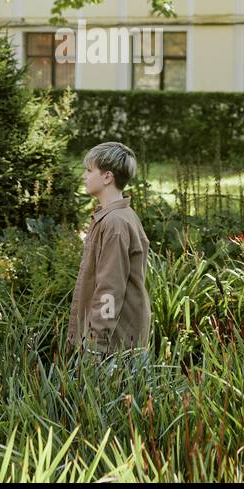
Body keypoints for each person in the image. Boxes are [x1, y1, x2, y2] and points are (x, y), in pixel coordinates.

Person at [67, 142, 151, 364]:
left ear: (107, 177)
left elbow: (110, 290)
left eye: (89, 170)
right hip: (115, 343)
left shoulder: (115, 223)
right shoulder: (113, 217)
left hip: (115, 347)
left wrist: (96, 342)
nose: (84, 176)